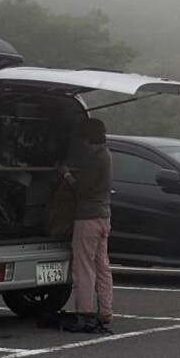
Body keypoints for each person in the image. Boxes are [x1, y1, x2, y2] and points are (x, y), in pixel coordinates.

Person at [64, 117, 113, 334]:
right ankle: (105, 310)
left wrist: (66, 174)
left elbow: (82, 188)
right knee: (102, 265)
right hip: (103, 217)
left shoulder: (95, 160)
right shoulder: (106, 155)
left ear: (87, 138)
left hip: (87, 218)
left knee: (83, 267)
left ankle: (84, 311)